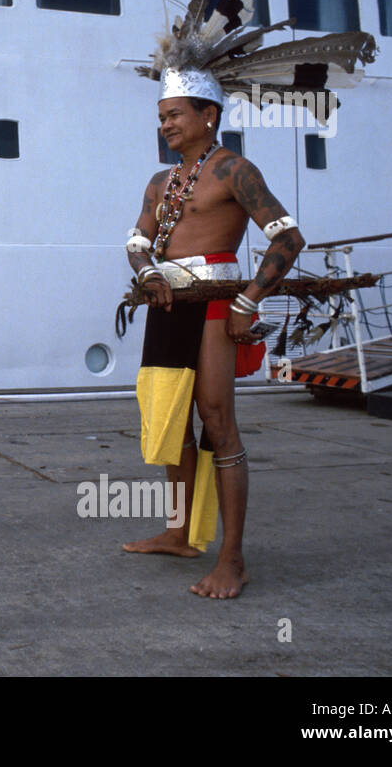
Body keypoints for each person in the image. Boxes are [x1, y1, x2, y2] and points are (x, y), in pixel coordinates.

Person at [121, 84, 304, 599]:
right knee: (172, 417)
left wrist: (248, 303)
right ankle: (179, 534)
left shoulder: (233, 170)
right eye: (161, 117)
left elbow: (287, 238)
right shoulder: (161, 181)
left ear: (208, 114)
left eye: (175, 114)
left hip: (219, 299)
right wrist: (148, 273)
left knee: (217, 419)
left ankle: (233, 558)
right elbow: (137, 241)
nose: (166, 125)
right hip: (167, 302)